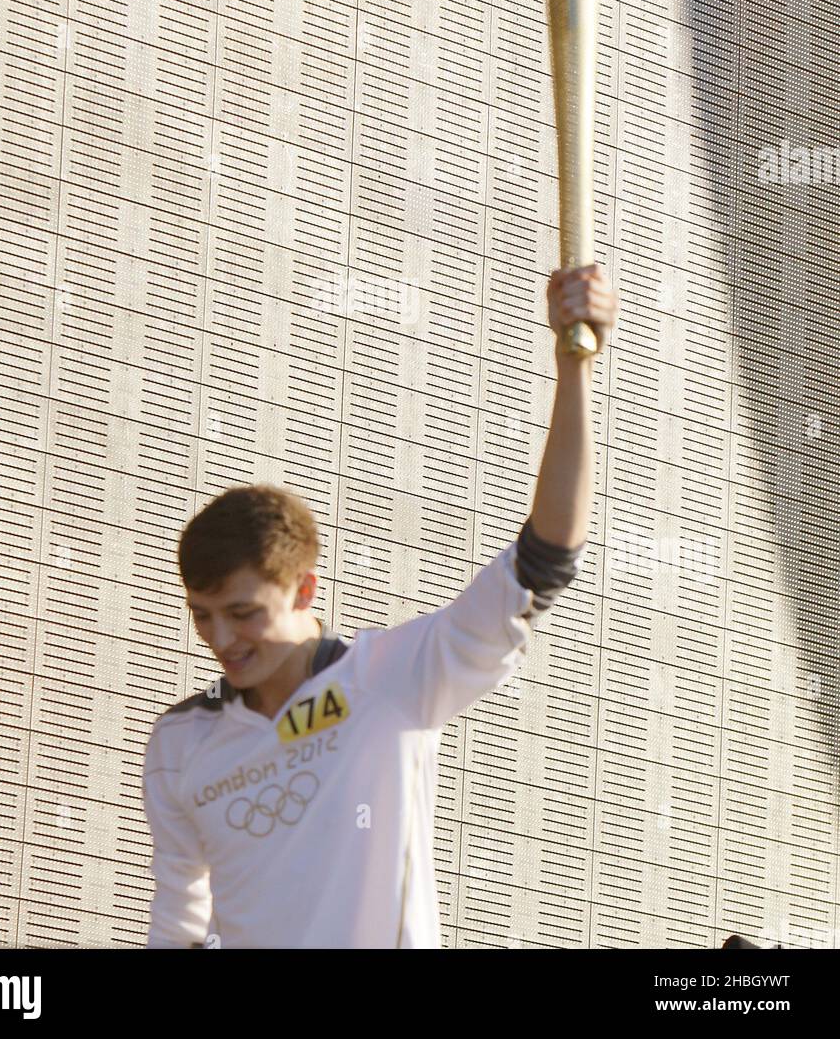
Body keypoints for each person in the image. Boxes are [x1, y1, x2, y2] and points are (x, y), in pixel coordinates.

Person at [142, 263, 619, 948]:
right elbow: (178, 926)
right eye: (202, 615)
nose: (221, 637)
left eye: (243, 613)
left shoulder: (390, 680)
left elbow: (545, 557)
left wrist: (574, 366)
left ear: (304, 589)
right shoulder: (181, 744)